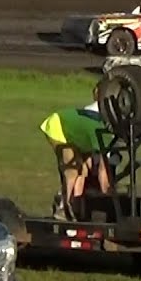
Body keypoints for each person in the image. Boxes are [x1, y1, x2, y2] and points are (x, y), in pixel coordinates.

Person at [40, 84, 113, 218]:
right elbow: (103, 171)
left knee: (84, 170)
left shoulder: (104, 130)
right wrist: (108, 197)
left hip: (78, 135)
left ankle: (76, 205)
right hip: (58, 126)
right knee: (72, 169)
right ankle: (63, 207)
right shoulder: (102, 132)